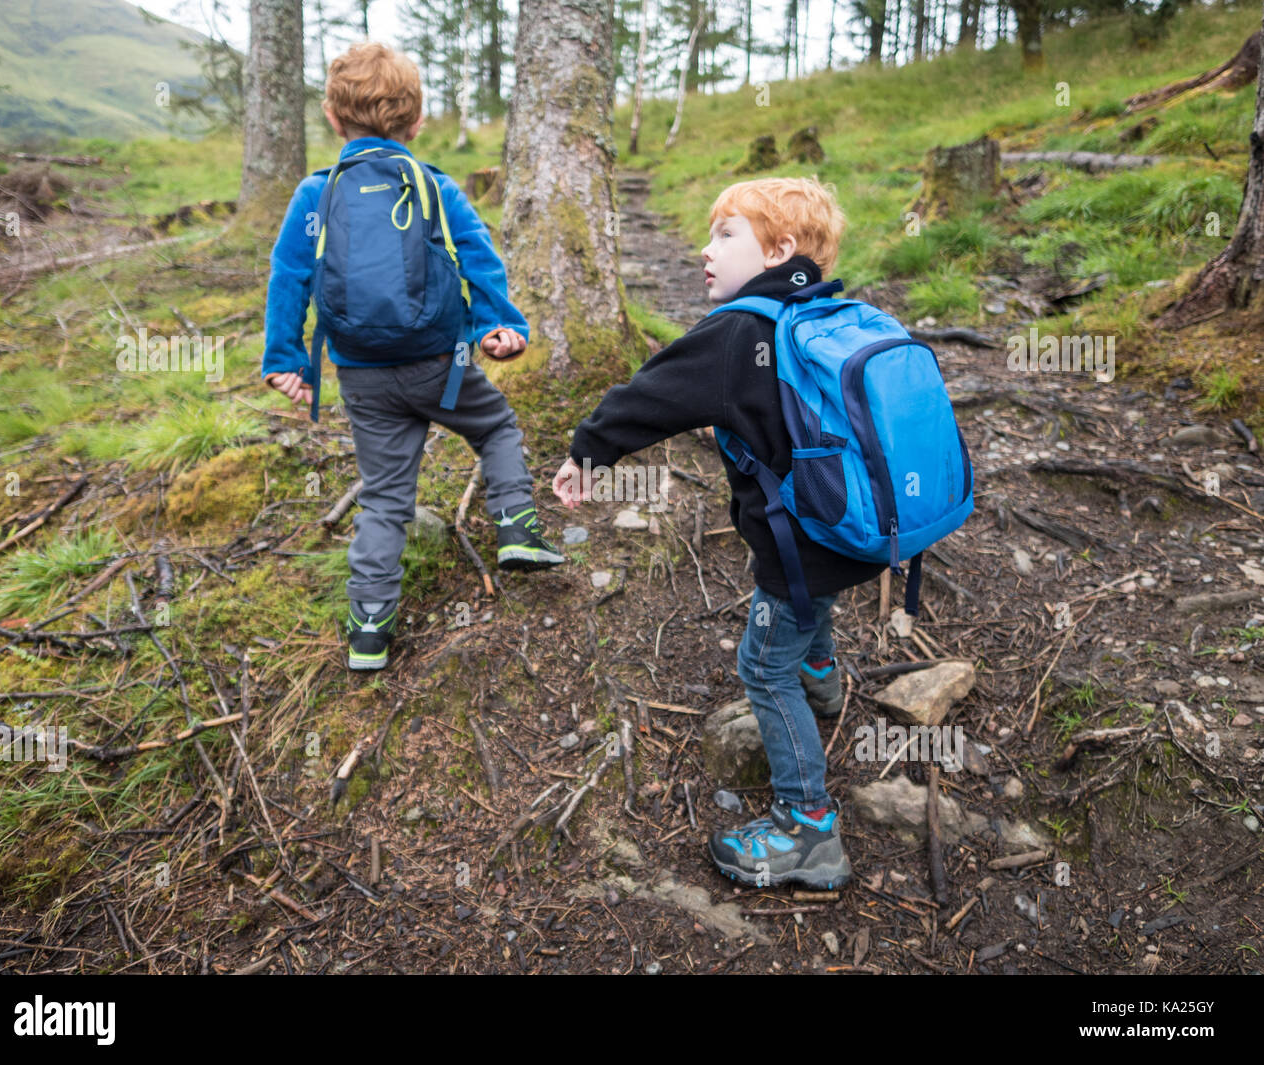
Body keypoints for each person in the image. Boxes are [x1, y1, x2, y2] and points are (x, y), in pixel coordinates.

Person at [552, 177, 885, 888]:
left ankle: (809, 829)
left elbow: (653, 394)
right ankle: (822, 683)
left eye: (725, 235)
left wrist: (588, 453)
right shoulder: (827, 309)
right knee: (809, 610)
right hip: (854, 531)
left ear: (779, 248)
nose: (705, 250)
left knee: (764, 665)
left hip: (799, 546)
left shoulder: (738, 330)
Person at [261, 42, 563, 671]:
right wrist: (499, 325)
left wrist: (286, 359)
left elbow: (288, 276)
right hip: (441, 367)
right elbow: (478, 258)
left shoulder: (315, 195)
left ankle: (368, 629)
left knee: (385, 499)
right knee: (497, 427)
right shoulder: (435, 186)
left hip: (362, 378)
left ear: (333, 119)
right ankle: (516, 529)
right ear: (417, 123)